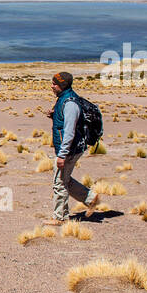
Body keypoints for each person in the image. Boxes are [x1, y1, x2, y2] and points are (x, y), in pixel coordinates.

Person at [45, 71, 101, 225]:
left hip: (70, 149)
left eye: (54, 84)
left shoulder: (69, 103)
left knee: (59, 183)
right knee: (64, 179)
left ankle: (60, 217)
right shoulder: (64, 99)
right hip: (73, 147)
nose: (52, 86)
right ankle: (90, 199)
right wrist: (54, 115)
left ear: (62, 85)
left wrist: (62, 155)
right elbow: (66, 123)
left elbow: (69, 131)